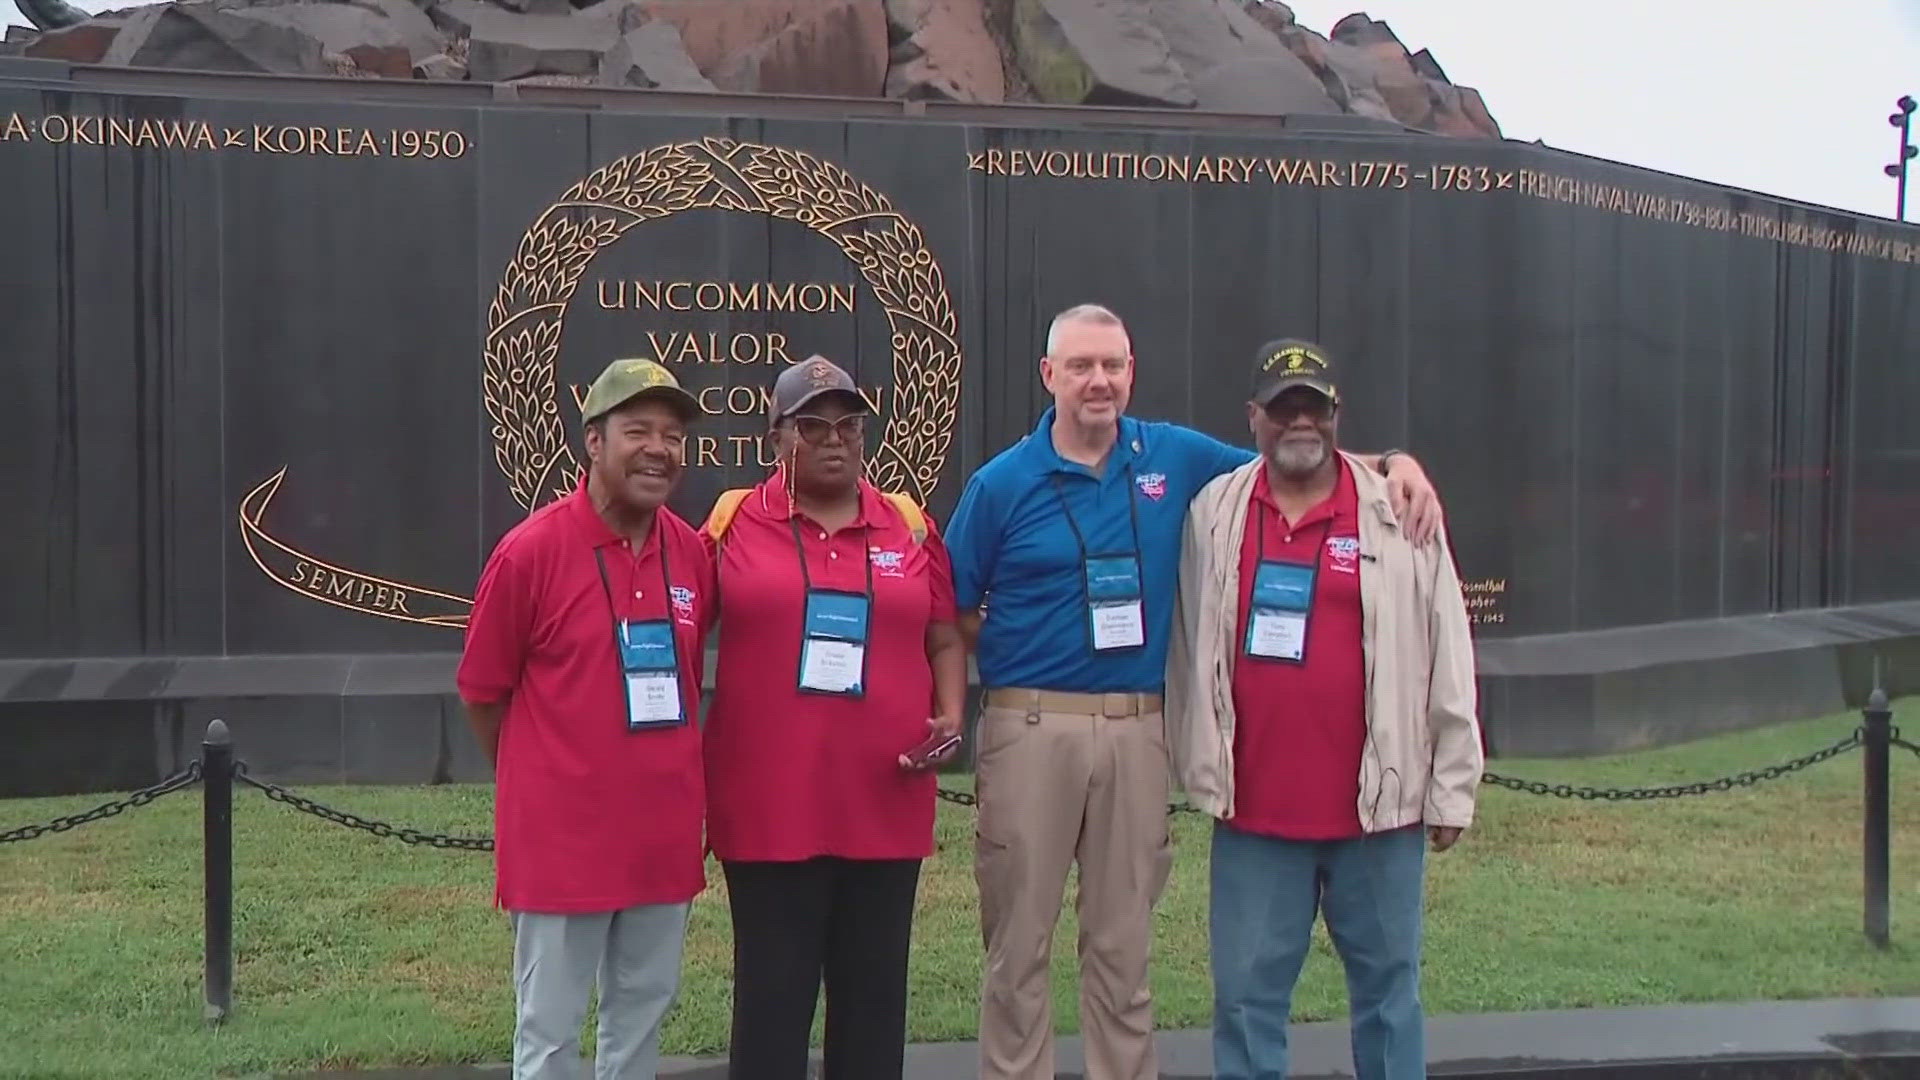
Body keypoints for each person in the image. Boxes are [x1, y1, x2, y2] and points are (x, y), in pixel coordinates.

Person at [942, 304, 1446, 1080]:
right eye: (1080, 366)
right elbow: (954, 606)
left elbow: (1296, 456)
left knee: (1121, 953)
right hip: (1032, 725)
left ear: (1132, 370)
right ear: (1049, 376)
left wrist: (1398, 462)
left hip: (1143, 730)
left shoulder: (1173, 459)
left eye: (1112, 364)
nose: (1098, 381)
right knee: (1018, 952)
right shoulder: (1000, 484)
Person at [1165, 338, 1483, 1080]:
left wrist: (1454, 784)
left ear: (1337, 415)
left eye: (1314, 407)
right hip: (1255, 820)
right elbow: (1187, 645)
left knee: (1389, 1000)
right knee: (1245, 1006)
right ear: (1254, 417)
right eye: (1283, 409)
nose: (1299, 422)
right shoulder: (1216, 510)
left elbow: (1449, 649)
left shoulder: (1399, 509)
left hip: (1379, 817)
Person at [697, 355, 969, 1080]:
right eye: (811, 426)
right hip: (769, 808)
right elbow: (681, 626)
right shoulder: (732, 524)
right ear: (775, 438)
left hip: (885, 801)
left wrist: (950, 709)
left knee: (874, 1000)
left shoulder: (908, 525)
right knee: (772, 999)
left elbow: (942, 633)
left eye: (848, 425)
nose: (833, 440)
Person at [455, 357, 715, 1080]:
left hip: (662, 840)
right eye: (638, 429)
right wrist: (541, 784)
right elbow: (482, 691)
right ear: (593, 442)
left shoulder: (690, 553)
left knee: (640, 1026)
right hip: (562, 846)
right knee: (549, 1036)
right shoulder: (530, 553)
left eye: (673, 434)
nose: (659, 448)